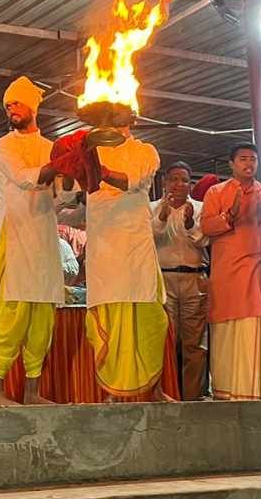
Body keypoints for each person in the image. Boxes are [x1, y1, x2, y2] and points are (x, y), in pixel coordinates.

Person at [0, 76, 63, 406]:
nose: (11, 110)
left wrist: (76, 164)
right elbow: (25, 178)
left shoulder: (52, 147)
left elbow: (67, 191)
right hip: (16, 239)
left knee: (42, 322)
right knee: (10, 319)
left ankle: (32, 393)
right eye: (7, 106)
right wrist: (64, 162)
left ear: (33, 105)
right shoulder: (4, 145)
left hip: (45, 242)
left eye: (16, 103)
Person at [84, 123, 169, 401]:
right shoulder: (90, 149)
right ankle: (111, 393)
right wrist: (76, 163)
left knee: (151, 321)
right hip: (104, 251)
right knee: (108, 322)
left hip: (136, 249)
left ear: (130, 117)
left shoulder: (145, 151)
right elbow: (66, 189)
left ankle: (154, 390)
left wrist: (102, 172)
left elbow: (135, 180)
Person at [199, 143, 261, 400]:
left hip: (257, 271)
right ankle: (227, 392)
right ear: (232, 164)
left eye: (253, 159)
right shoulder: (216, 192)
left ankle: (260, 391)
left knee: (259, 324)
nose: (249, 164)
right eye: (243, 159)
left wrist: (260, 212)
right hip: (226, 275)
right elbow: (205, 227)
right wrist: (230, 215)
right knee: (228, 330)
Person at [149, 162, 209, 400]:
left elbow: (206, 241)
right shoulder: (152, 207)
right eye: (174, 179)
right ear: (164, 182)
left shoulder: (200, 208)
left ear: (190, 183)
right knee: (166, 340)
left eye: (184, 179)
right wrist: (162, 218)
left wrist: (189, 224)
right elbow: (147, 240)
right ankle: (167, 393)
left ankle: (192, 397)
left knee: (194, 344)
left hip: (194, 278)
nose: (179, 184)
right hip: (164, 278)